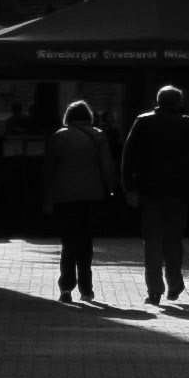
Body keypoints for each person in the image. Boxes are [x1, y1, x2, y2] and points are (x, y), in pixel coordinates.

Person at [122, 80, 189, 309]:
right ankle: (175, 282)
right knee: (173, 239)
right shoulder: (188, 124)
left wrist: (129, 188)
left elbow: (128, 159)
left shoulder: (143, 122)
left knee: (153, 242)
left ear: (158, 102)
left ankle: (155, 289)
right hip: (178, 191)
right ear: (179, 103)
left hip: (149, 190)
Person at [47, 92, 116, 310]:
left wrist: (47, 195)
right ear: (88, 116)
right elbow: (106, 165)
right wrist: (111, 188)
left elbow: (49, 169)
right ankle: (86, 287)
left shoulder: (59, 136)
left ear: (68, 116)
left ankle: (66, 286)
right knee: (86, 241)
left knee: (68, 241)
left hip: (64, 196)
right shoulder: (98, 136)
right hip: (91, 195)